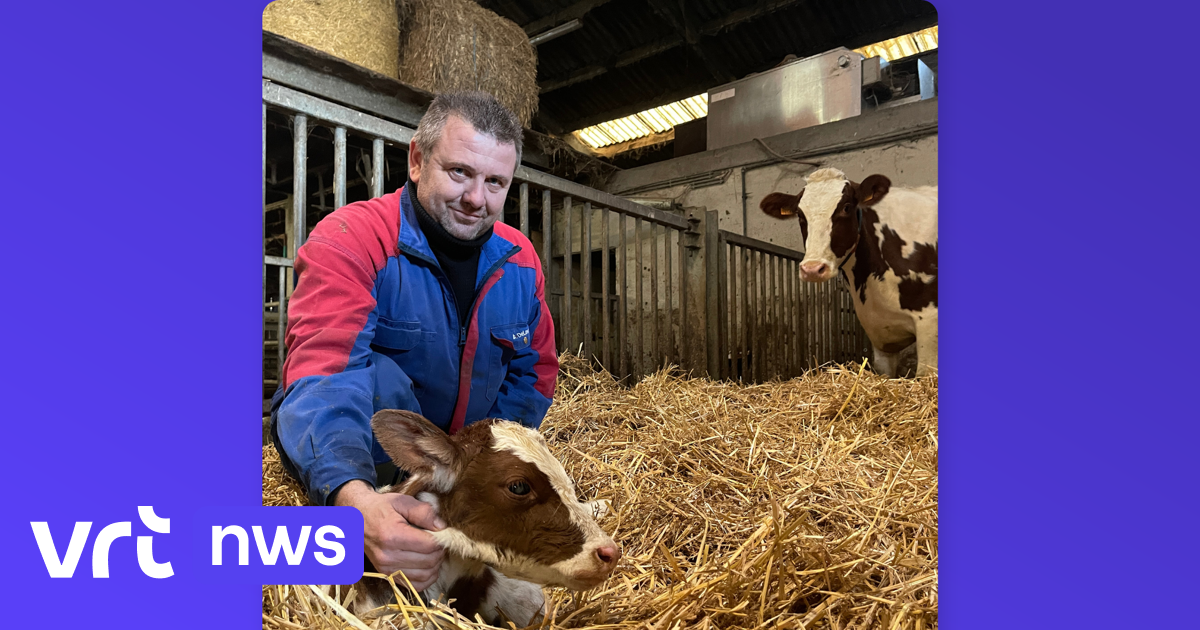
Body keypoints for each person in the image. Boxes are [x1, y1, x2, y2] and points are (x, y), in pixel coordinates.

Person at [269, 91, 558, 591]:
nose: (476, 199)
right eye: (459, 172)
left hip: (457, 467)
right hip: (370, 464)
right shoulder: (353, 237)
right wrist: (354, 500)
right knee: (379, 377)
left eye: (495, 182)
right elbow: (325, 375)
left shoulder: (521, 261)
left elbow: (534, 375)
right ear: (418, 160)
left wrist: (480, 473)